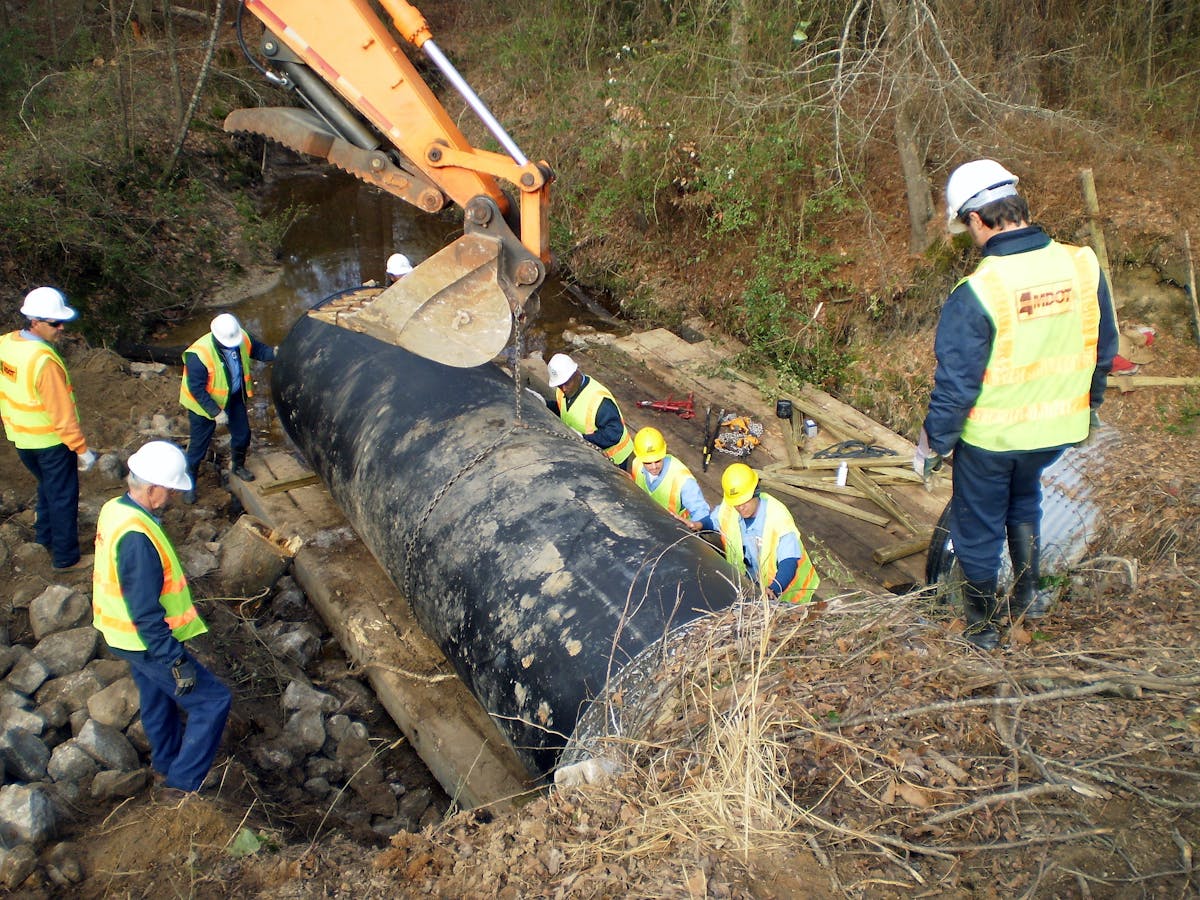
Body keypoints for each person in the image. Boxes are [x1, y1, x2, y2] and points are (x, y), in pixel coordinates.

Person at [915, 159, 1119, 649]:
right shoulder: (1080, 264)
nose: (971, 236)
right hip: (1056, 431)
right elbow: (1103, 347)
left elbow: (956, 387)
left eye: (968, 227)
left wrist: (933, 446)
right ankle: (1029, 595)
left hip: (994, 439)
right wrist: (1090, 407)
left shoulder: (979, 292)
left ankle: (983, 630)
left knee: (977, 525)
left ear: (980, 220)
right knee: (1025, 498)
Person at [92, 440, 231, 796]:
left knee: (156, 700)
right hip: (145, 640)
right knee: (212, 701)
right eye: (169, 490)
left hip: (123, 636)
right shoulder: (138, 539)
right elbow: (146, 612)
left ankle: (165, 765)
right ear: (153, 488)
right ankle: (182, 787)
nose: (171, 496)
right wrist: (176, 660)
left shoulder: (116, 509)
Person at [0, 287, 98, 571]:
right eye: (55, 323)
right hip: (50, 443)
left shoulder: (7, 344)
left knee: (46, 487)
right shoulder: (43, 362)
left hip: (21, 439)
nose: (61, 328)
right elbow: (62, 414)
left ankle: (43, 539)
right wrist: (81, 449)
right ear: (35, 322)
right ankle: (66, 558)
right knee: (63, 497)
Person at [179, 313, 275, 503]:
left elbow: (258, 350)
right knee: (199, 446)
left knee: (243, 435)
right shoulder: (198, 355)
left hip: (233, 399)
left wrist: (276, 353)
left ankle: (238, 466)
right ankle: (189, 484)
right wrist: (215, 412)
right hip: (204, 407)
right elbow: (196, 389)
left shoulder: (240, 337)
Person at [712, 463, 820, 603]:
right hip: (752, 588)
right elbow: (713, 520)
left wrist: (773, 590)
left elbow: (789, 562)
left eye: (744, 501)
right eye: (736, 503)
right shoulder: (729, 508)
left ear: (756, 491)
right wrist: (697, 525)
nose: (740, 507)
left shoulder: (778, 516)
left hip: (792, 597)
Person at [546, 352, 634, 471]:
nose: (564, 389)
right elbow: (565, 409)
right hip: (590, 453)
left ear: (576, 373)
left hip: (613, 459)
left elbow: (614, 433)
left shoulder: (599, 401)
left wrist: (583, 438)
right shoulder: (563, 391)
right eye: (560, 385)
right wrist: (543, 403)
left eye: (566, 383)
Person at [630, 427, 713, 531]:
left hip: (675, 531)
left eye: (658, 461)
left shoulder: (682, 479)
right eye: (648, 463)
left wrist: (695, 525)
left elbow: (701, 512)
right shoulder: (636, 464)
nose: (654, 467)